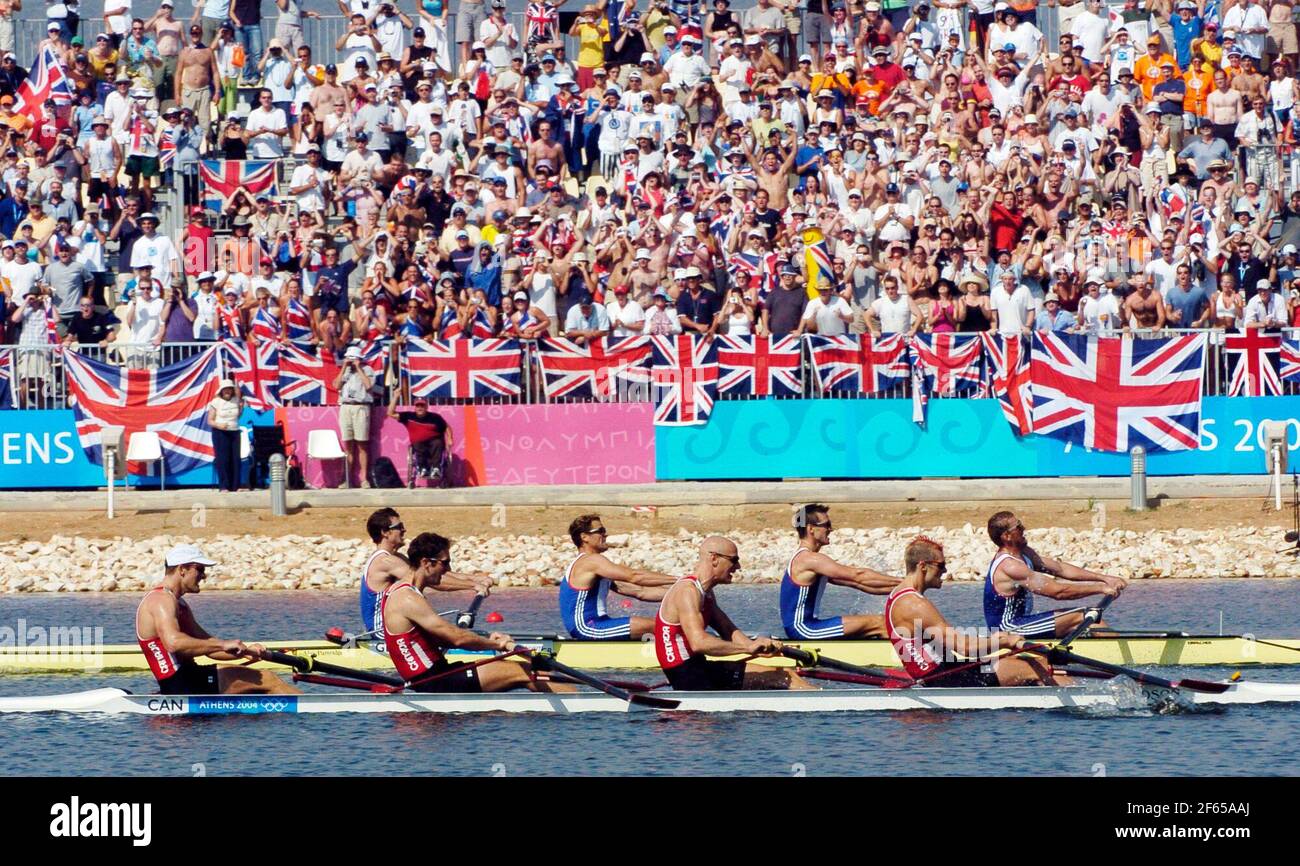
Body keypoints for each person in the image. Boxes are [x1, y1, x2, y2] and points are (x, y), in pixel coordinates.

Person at [383, 531, 576, 693]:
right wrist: (498, 645)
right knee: (524, 671)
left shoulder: (402, 592)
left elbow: (443, 638)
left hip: (436, 675)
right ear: (426, 563)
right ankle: (579, 706)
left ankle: (571, 699)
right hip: (433, 681)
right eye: (445, 563)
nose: (448, 569)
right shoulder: (408, 598)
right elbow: (457, 639)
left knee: (527, 669)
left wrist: (489, 640)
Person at [883, 535, 1062, 687]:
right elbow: (964, 648)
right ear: (923, 566)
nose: (945, 570)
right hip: (944, 679)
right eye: (941, 565)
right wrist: (1005, 642)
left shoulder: (897, 594)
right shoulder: (915, 604)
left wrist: (996, 640)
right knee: (1040, 665)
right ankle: (1080, 702)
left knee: (1021, 663)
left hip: (942, 671)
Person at [135, 543, 298, 695]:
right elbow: (174, 643)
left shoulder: (179, 604)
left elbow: (209, 646)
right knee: (269, 679)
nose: (204, 576)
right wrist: (223, 644)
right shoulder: (160, 600)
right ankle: (313, 714)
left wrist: (245, 652)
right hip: (180, 683)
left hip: (189, 678)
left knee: (258, 701)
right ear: (182, 569)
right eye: (199, 569)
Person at [655, 536, 814, 691]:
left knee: (784, 674)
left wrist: (760, 648)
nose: (738, 567)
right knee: (784, 677)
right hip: (687, 675)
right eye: (734, 559)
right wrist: (748, 648)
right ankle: (825, 704)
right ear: (714, 559)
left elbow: (727, 630)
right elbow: (699, 643)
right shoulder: (687, 591)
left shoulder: (706, 593)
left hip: (698, 668)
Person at [984, 510, 1127, 638]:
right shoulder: (1011, 566)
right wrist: (1100, 589)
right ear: (1007, 536)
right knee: (1083, 615)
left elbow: (1060, 569)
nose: (1024, 528)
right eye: (1018, 527)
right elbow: (1058, 592)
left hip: (1022, 622)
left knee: (1094, 622)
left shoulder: (1024, 553)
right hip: (1007, 629)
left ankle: (1119, 652)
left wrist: (1104, 578)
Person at [358, 507, 492, 635]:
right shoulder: (386, 562)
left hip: (397, 625)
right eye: (399, 527)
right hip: (382, 632)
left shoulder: (396, 557)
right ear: (385, 532)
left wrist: (476, 579)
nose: (404, 530)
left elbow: (436, 572)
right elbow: (430, 580)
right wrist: (473, 586)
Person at [780, 504, 899, 639]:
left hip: (808, 626)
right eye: (827, 524)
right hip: (804, 629)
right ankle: (913, 657)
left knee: (879, 624)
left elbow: (860, 584)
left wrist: (902, 589)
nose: (831, 529)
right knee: (879, 622)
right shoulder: (808, 559)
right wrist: (906, 582)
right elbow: (858, 575)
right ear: (811, 529)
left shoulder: (810, 559)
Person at [560, 512, 678, 640]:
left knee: (666, 626)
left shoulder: (595, 567)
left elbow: (641, 592)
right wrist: (680, 580)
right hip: (588, 627)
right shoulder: (590, 561)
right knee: (660, 626)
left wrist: (679, 592)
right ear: (584, 537)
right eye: (601, 530)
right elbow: (635, 576)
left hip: (600, 623)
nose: (605, 534)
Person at [388, 395, 451, 487]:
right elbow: (390, 413)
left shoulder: (435, 417)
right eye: (418, 406)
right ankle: (423, 468)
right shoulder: (408, 416)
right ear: (415, 407)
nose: (420, 408)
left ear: (426, 407)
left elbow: (447, 427)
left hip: (434, 442)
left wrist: (450, 439)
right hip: (418, 443)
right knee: (417, 443)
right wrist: (395, 397)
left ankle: (436, 469)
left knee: (437, 442)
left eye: (422, 406)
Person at [334, 344, 374, 487]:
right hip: (346, 407)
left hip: (361, 407)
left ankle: (364, 479)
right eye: (348, 358)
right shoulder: (345, 371)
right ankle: (346, 479)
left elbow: (369, 386)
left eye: (353, 358)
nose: (350, 361)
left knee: (362, 444)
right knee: (348, 444)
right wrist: (344, 367)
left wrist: (358, 368)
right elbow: (336, 385)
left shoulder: (367, 369)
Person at [205, 378, 242, 492]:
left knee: (235, 459)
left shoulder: (236, 400)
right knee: (223, 459)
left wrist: (241, 407)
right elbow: (209, 420)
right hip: (220, 433)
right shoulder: (215, 402)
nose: (227, 391)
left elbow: (238, 415)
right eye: (225, 389)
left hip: (234, 431)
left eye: (229, 389)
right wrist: (219, 425)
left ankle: (235, 486)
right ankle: (223, 486)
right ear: (221, 391)